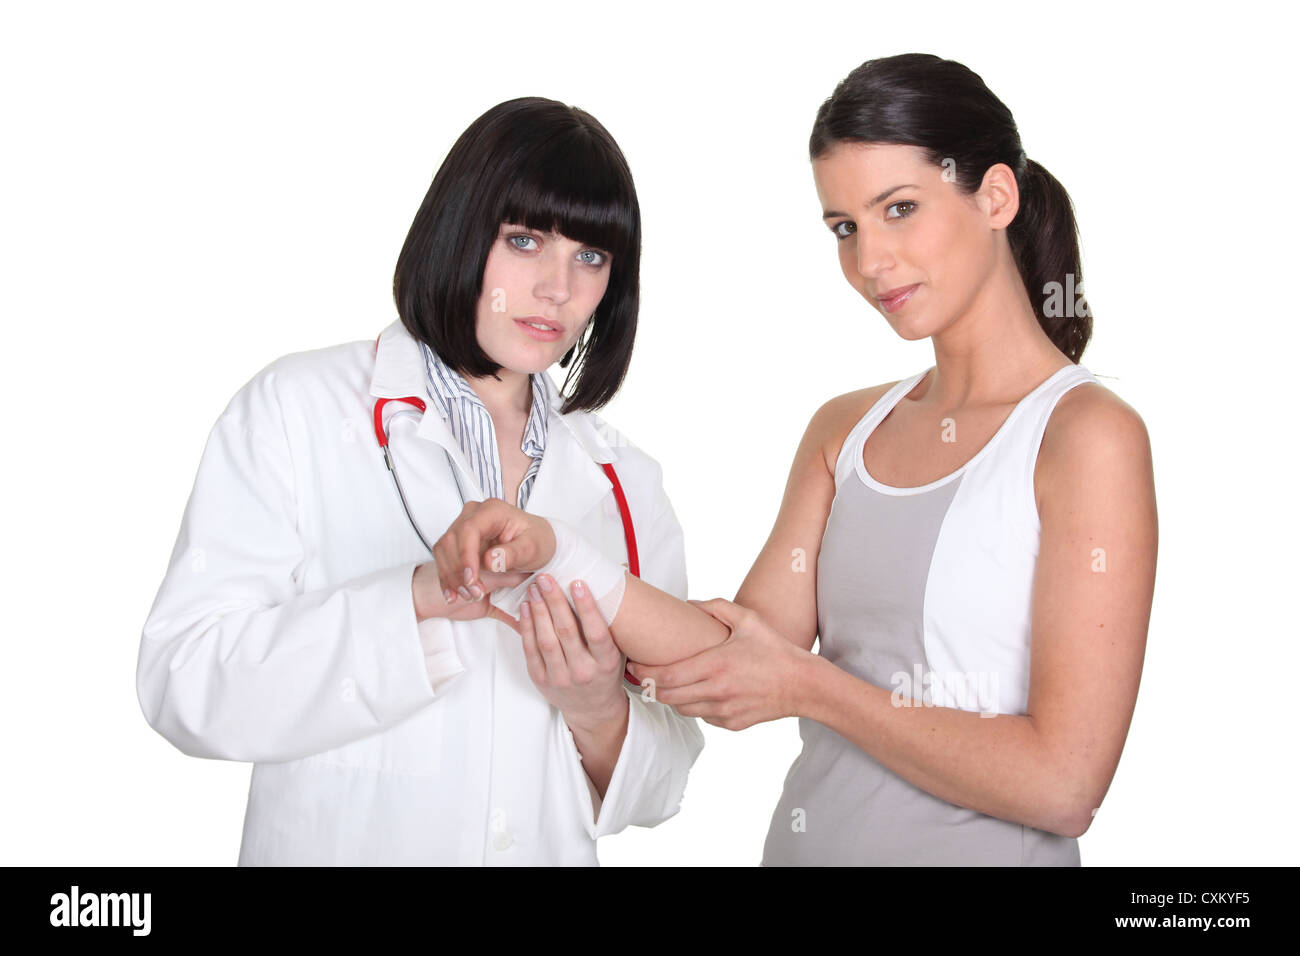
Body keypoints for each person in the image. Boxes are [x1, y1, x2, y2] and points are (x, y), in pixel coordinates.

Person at [433, 54, 1158, 866]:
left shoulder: (1085, 434)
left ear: (995, 197)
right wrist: (552, 550)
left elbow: (1064, 785)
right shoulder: (844, 430)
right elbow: (727, 655)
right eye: (845, 228)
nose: (870, 262)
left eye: (900, 209)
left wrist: (812, 687)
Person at [135, 97, 705, 866]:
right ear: (461, 231)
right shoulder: (297, 409)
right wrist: (417, 601)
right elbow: (183, 680)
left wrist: (598, 709)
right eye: (525, 239)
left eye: (591, 256)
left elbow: (665, 782)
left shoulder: (624, 481)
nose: (556, 288)